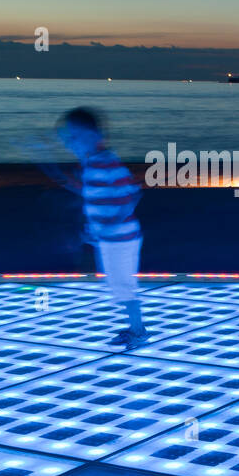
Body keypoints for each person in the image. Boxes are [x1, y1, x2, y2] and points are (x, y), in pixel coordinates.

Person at [56, 108, 148, 348]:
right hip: (111, 237)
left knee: (123, 287)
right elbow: (99, 196)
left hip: (121, 237)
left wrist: (108, 226)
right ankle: (135, 328)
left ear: (94, 135)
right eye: (67, 138)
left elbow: (131, 195)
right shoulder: (93, 164)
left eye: (74, 137)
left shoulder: (105, 162)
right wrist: (96, 228)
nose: (69, 143)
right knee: (118, 285)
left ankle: (139, 331)